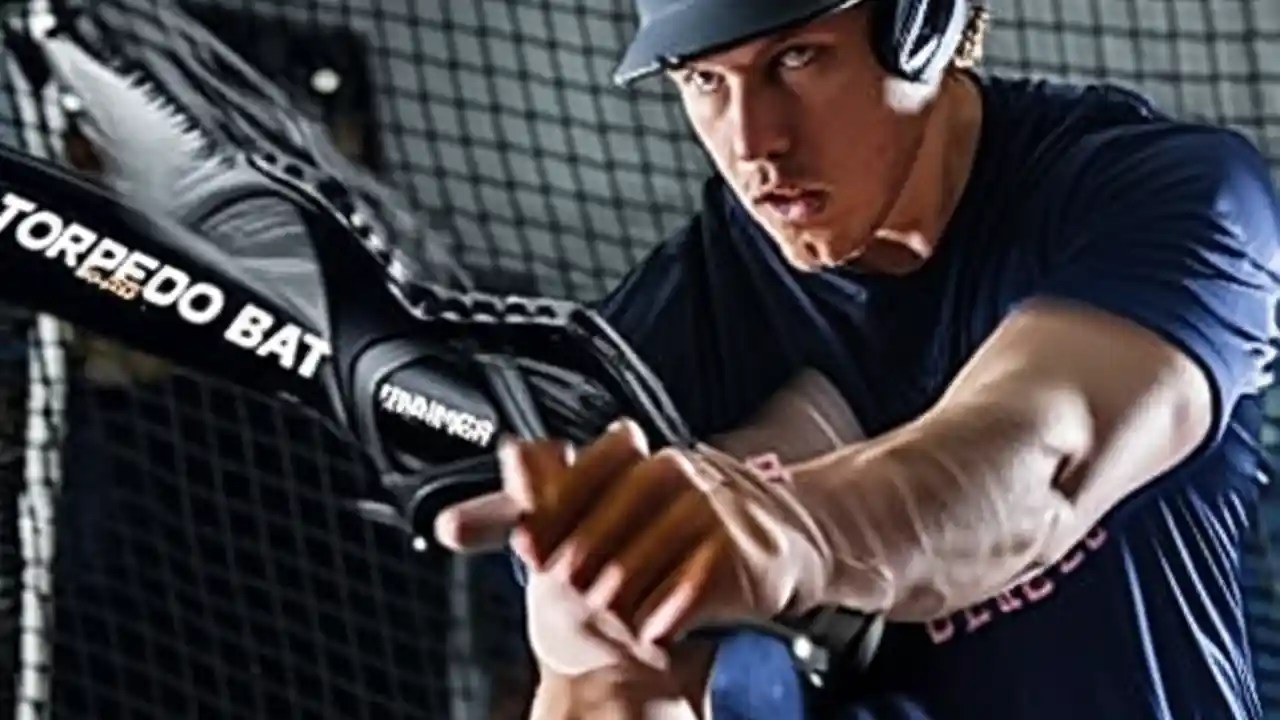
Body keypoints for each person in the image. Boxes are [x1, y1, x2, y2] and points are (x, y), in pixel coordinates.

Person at [435, 0, 1280, 717]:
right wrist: (593, 638)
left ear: (926, 25)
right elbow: (591, 690)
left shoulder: (1167, 201)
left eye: (797, 59)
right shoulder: (652, 350)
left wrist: (793, 531)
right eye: (703, 79)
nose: (753, 143)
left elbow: (1037, 459)